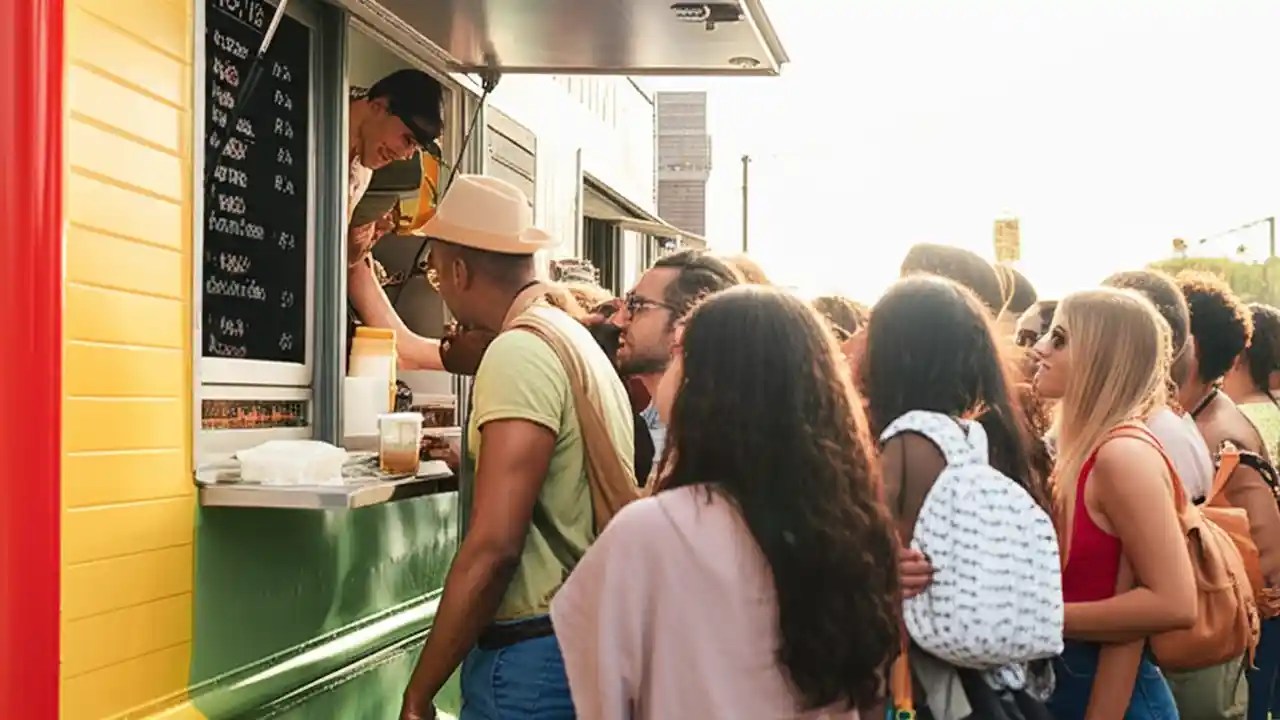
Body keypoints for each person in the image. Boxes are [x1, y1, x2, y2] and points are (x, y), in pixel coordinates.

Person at [551, 286, 900, 719]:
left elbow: (602, 692)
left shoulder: (649, 532)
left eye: (680, 352)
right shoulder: (852, 530)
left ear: (710, 383)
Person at [399, 175, 637, 720]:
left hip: (530, 657)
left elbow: (494, 549)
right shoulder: (571, 337)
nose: (441, 288)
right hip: (575, 641)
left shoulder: (518, 352)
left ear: (459, 270)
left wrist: (420, 691)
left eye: (436, 272)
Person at [1033, 288, 1196, 719]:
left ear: (1101, 356)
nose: (1039, 347)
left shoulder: (1121, 456)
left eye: (1060, 339)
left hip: (1116, 702)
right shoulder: (1084, 450)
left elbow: (1175, 603)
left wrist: (1036, 616)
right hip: (1073, 687)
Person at [1103, 269, 1245, 716]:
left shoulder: (1146, 437)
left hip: (1154, 667)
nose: (1043, 348)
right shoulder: (1150, 426)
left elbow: (1155, 593)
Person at [345, 69, 452, 371]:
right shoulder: (314, 129)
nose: (406, 156)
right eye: (407, 139)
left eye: (414, 148)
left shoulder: (363, 169)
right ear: (378, 105)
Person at [611, 250, 743, 460]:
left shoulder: (713, 443)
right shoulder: (644, 423)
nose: (619, 320)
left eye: (638, 305)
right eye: (626, 303)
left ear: (687, 320)